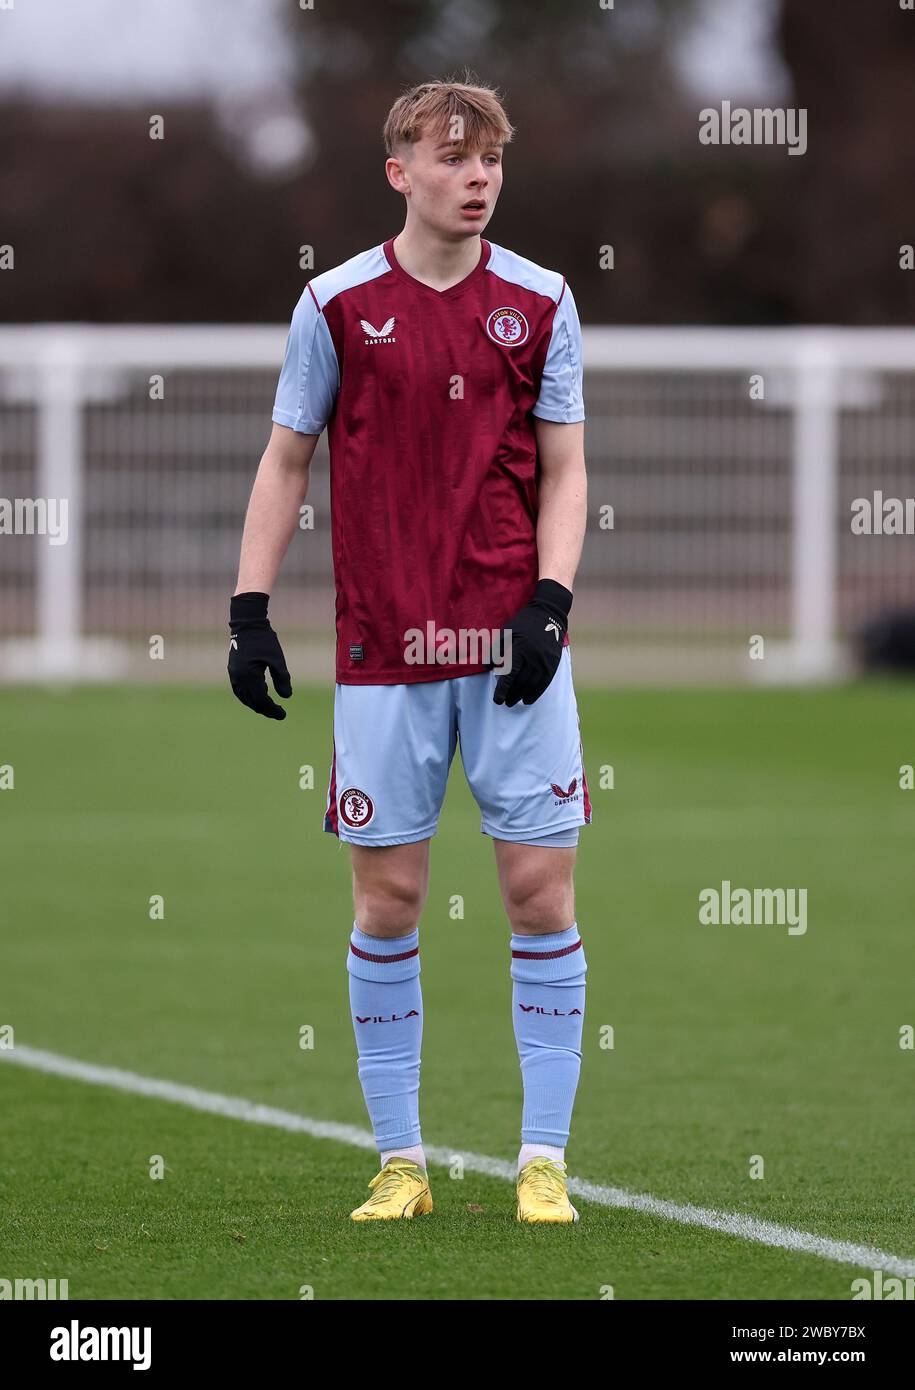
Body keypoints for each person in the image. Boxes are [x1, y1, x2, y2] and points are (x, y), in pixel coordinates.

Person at [229, 77, 590, 1224]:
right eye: (452, 158)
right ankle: (402, 1162)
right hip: (382, 646)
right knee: (389, 900)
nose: (477, 178)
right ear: (401, 173)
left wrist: (550, 600)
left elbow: (567, 466)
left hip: (508, 649)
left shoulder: (540, 300)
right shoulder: (334, 304)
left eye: (490, 159)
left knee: (538, 890)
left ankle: (543, 1160)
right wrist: (249, 609)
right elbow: (287, 460)